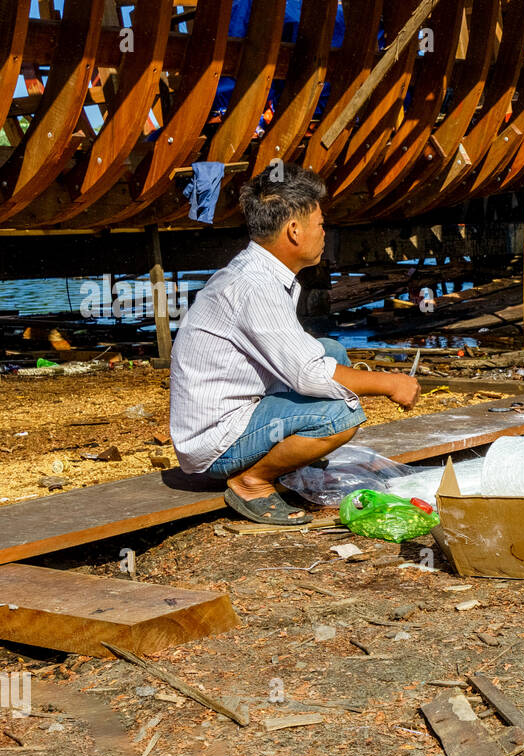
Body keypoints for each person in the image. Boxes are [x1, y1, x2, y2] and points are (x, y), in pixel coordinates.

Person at [169, 163, 420, 524]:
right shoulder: (255, 287)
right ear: (293, 230)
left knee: (329, 349)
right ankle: (252, 480)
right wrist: (390, 383)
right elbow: (307, 374)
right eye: (320, 225)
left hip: (235, 412)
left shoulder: (257, 271)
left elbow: (310, 361)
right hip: (215, 445)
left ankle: (290, 457)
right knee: (340, 415)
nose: (323, 233)